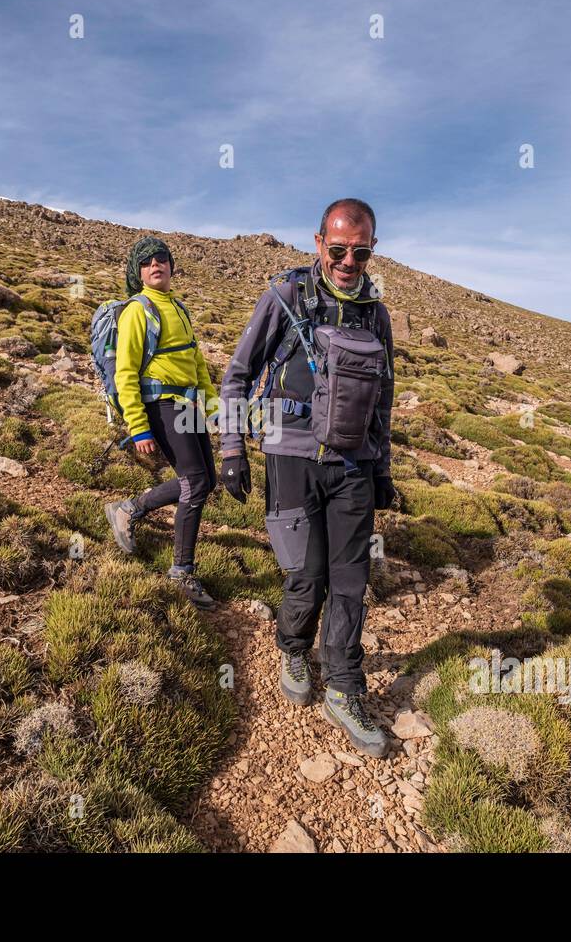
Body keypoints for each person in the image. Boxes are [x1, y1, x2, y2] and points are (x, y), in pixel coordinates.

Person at [218, 199, 396, 757]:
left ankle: (344, 688)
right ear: (318, 243)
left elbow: (384, 400)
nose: (348, 260)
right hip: (290, 455)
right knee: (306, 574)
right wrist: (231, 447)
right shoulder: (285, 295)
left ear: (371, 249)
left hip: (354, 466)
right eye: (338, 249)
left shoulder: (377, 314)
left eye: (360, 251)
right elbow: (237, 376)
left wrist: (383, 469)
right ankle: (293, 646)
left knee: (351, 582)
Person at [104, 236, 219, 609]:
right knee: (195, 482)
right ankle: (181, 571)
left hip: (187, 404)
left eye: (162, 259)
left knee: (205, 480)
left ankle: (129, 509)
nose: (156, 265)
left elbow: (196, 363)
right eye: (147, 262)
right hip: (161, 404)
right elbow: (125, 373)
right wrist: (138, 426)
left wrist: (215, 407)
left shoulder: (179, 308)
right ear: (137, 272)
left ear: (171, 266)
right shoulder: (138, 309)